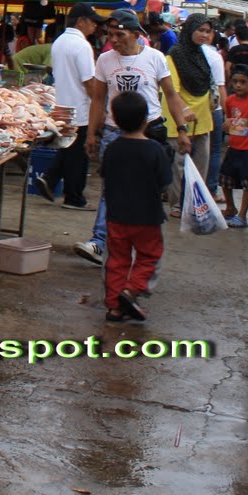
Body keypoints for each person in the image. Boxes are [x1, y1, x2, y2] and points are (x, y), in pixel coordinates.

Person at [76, 9, 192, 265]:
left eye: (120, 35)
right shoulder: (105, 60)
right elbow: (98, 98)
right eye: (110, 34)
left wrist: (182, 129)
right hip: (113, 133)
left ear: (136, 34)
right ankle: (99, 241)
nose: (114, 40)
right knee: (110, 188)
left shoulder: (156, 58)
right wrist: (92, 133)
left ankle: (142, 246)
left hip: (149, 132)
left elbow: (171, 95)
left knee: (147, 189)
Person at [100, 91, 169, 323]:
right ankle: (131, 291)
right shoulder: (155, 150)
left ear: (116, 120)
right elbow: (165, 181)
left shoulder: (112, 149)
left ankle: (114, 307)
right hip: (147, 217)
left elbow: (105, 176)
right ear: (146, 119)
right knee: (149, 256)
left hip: (116, 215)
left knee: (116, 260)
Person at [40, 4, 104, 208]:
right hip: (80, 108)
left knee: (69, 149)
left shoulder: (59, 42)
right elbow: (89, 81)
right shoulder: (82, 46)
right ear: (80, 21)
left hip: (62, 105)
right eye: (92, 20)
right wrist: (98, 106)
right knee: (79, 154)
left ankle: (49, 179)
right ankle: (74, 197)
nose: (95, 25)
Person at [161, 14, 225, 204]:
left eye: (208, 31)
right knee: (178, 165)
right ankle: (176, 204)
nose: (204, 35)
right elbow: (172, 89)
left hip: (203, 119)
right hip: (179, 118)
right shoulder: (174, 55)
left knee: (201, 165)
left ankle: (196, 202)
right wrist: (185, 109)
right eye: (200, 30)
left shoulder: (204, 55)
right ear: (189, 30)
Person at [219, 64, 248, 226]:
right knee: (225, 179)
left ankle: (243, 214)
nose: (238, 85)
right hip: (234, 146)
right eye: (235, 81)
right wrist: (227, 125)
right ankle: (230, 207)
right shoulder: (230, 101)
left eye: (243, 82)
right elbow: (231, 120)